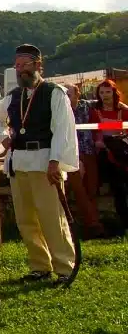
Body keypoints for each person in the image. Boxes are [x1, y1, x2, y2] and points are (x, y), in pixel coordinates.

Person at [0, 44, 77, 281]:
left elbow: (62, 129)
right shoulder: (13, 96)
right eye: (17, 66)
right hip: (18, 164)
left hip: (44, 161)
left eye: (25, 65)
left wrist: (55, 161)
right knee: (26, 220)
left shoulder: (53, 93)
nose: (20, 70)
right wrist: (4, 139)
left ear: (38, 65)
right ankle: (40, 266)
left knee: (51, 218)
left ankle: (65, 267)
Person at [65, 84, 106, 237]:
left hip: (89, 151)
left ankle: (90, 224)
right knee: (78, 189)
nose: (67, 98)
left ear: (77, 94)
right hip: (71, 154)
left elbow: (98, 127)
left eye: (69, 94)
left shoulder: (88, 107)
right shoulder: (61, 111)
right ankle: (94, 225)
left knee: (92, 188)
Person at [90, 78, 128, 232]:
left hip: (124, 149)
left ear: (114, 92)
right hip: (106, 152)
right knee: (118, 186)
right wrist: (101, 143)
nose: (105, 95)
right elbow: (96, 133)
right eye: (102, 92)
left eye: (107, 91)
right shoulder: (95, 111)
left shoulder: (123, 111)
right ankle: (125, 223)